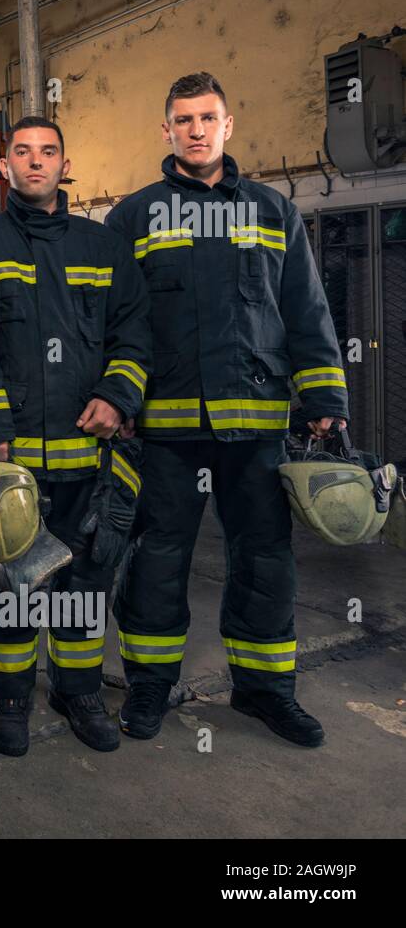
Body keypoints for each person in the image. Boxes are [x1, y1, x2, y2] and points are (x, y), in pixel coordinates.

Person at [107, 72, 348, 748]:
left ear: (227, 124)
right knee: (159, 557)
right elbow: (117, 318)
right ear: (166, 129)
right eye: (182, 118)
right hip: (168, 430)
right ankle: (151, 682)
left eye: (206, 117)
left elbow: (306, 309)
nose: (195, 128)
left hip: (258, 427)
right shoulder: (135, 216)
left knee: (267, 557)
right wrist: (120, 397)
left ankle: (266, 688)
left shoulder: (274, 212)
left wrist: (325, 397)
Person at [0, 116, 151, 756]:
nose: (36, 162)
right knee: (8, 584)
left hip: (89, 458)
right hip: (9, 467)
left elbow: (135, 333)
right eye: (23, 152)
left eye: (49, 152)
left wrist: (117, 397)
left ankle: (78, 689)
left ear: (65, 164)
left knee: (86, 581)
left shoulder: (105, 246)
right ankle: (9, 696)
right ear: (4, 166)